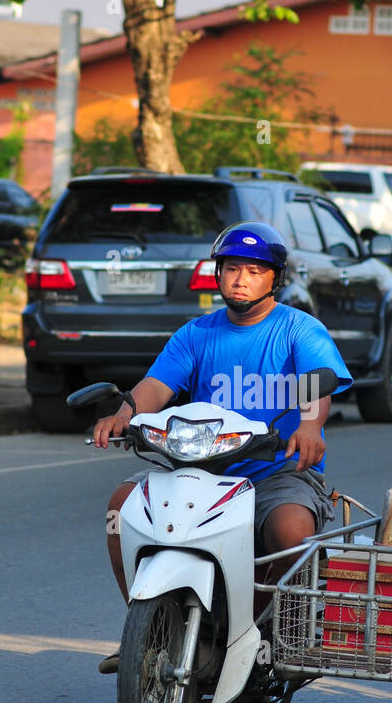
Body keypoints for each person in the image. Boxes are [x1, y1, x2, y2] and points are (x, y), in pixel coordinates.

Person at [92, 221, 352, 672]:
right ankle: (146, 631)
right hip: (201, 471)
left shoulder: (298, 330)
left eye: (254, 270)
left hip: (276, 472)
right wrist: (125, 413)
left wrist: (310, 426)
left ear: (276, 278)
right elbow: (156, 386)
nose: (241, 279)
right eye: (232, 268)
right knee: (123, 507)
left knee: (291, 533)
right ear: (218, 274)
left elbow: (315, 381)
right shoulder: (196, 333)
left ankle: (287, 633)